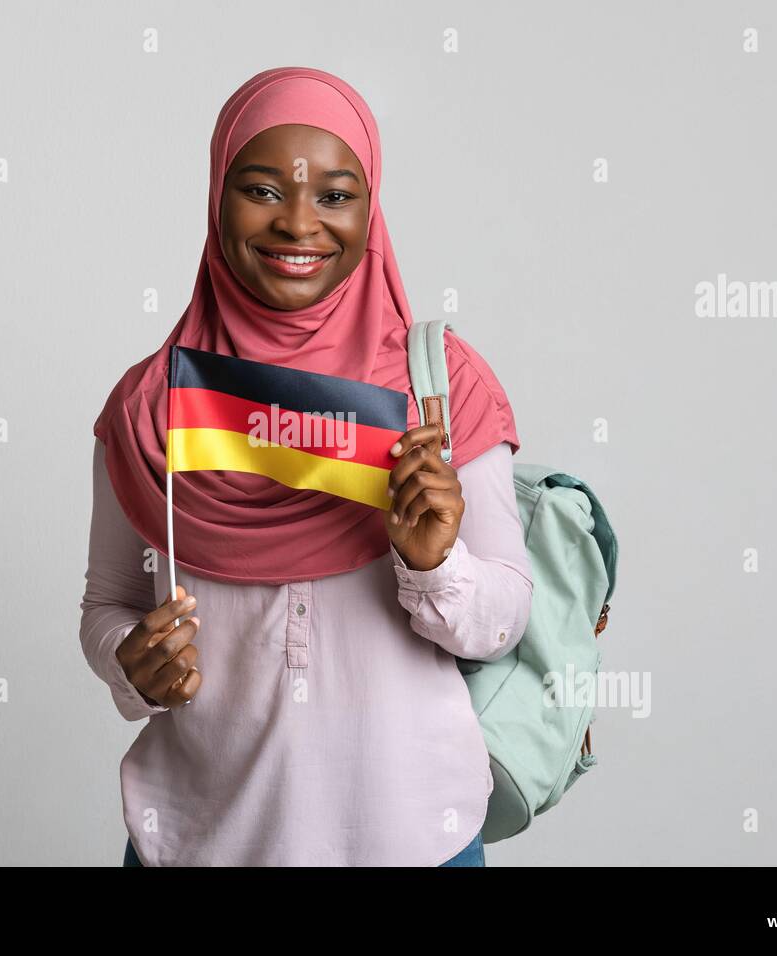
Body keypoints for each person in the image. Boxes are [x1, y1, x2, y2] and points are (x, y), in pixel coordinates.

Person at [80, 66, 533, 866]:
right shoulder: (152, 407)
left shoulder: (440, 386)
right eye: (262, 189)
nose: (298, 224)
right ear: (218, 196)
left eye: (334, 195)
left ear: (371, 207)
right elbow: (109, 603)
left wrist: (436, 564)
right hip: (199, 841)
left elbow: (502, 624)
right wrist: (133, 664)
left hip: (413, 842)